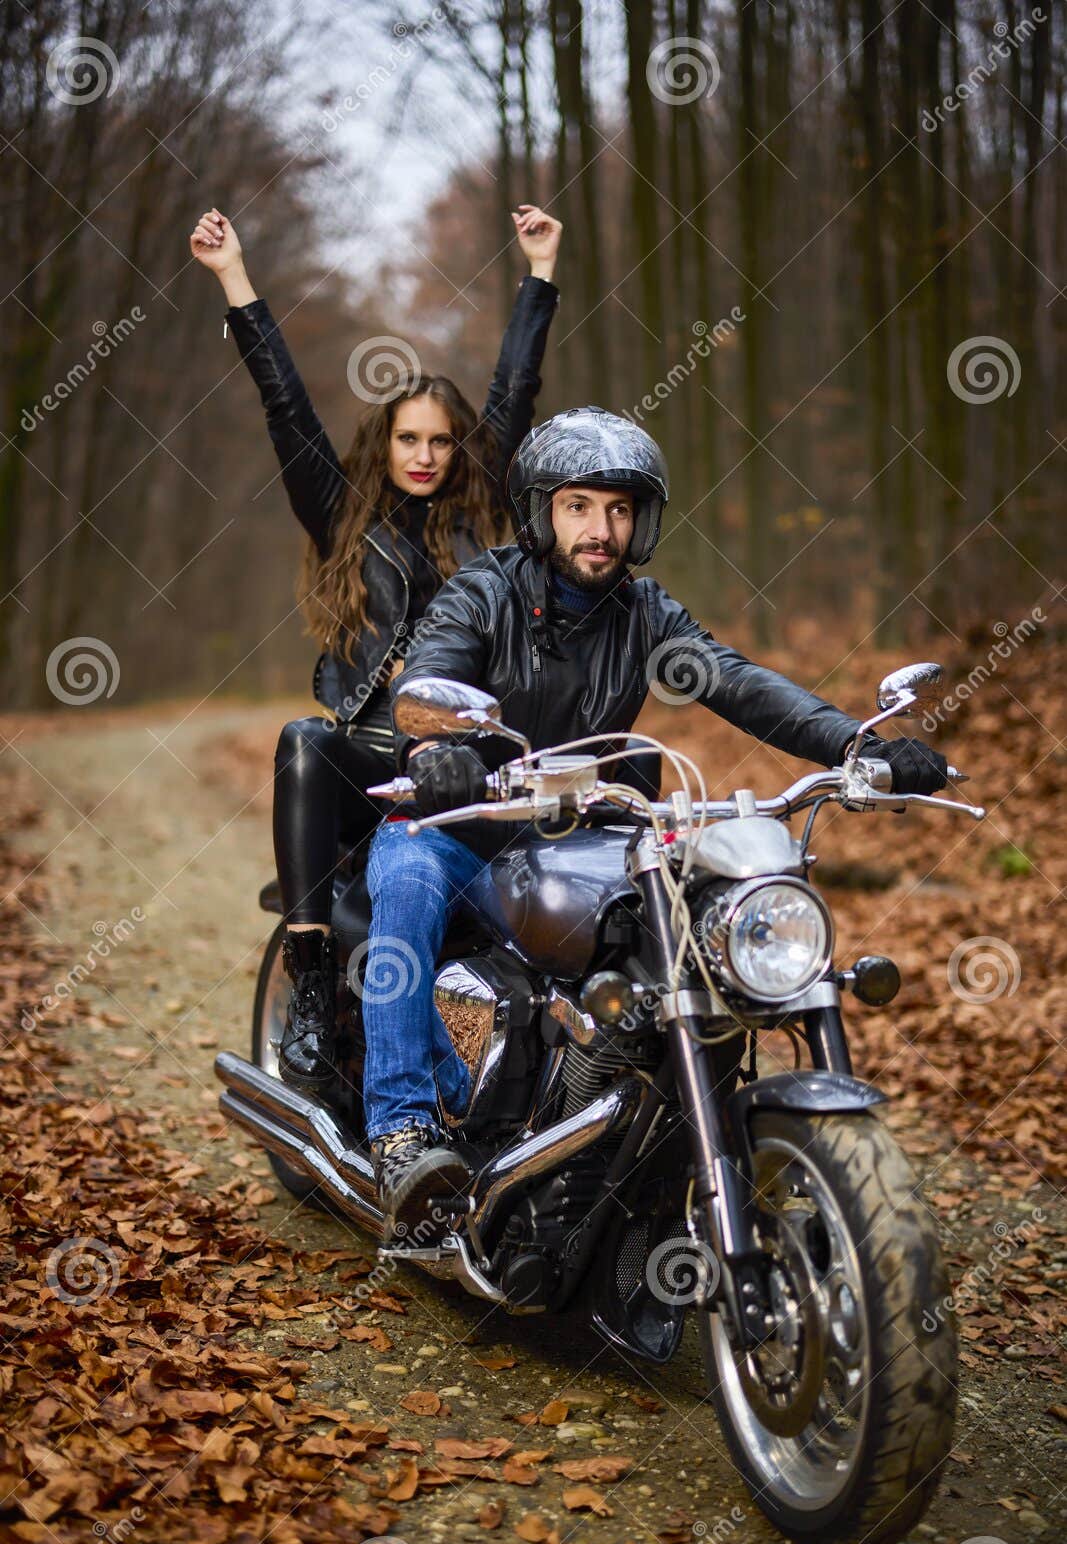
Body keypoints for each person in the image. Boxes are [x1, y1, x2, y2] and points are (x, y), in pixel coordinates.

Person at [362, 407, 950, 1232]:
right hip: (460, 823)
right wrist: (433, 753)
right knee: (407, 885)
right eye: (578, 507)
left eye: (618, 510)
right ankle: (401, 1131)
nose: (600, 530)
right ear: (541, 512)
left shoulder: (643, 614)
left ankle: (639, 1134)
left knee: (690, 918)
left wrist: (855, 743)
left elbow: (737, 682)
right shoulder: (483, 593)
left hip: (575, 836)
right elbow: (428, 674)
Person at [189, 202, 563, 1089]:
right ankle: (312, 984)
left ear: (460, 448)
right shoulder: (340, 515)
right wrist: (234, 277)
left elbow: (514, 393)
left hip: (472, 765)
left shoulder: (484, 517)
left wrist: (541, 273)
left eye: (440, 440)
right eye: (409, 439)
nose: (425, 455)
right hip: (372, 761)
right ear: (385, 444)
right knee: (304, 740)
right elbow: (285, 406)